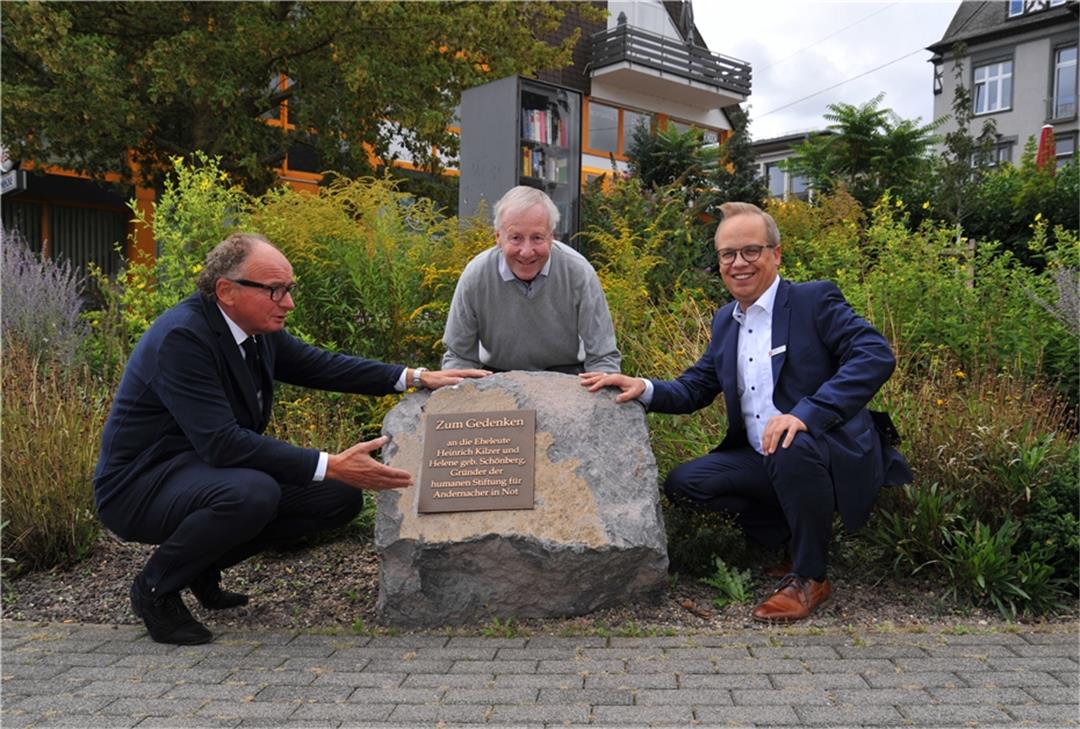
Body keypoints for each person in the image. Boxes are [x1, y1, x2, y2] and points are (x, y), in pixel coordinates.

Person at [94, 233, 488, 645]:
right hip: (141, 486)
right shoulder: (183, 338)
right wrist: (331, 463)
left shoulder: (255, 330)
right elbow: (222, 443)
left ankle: (197, 565)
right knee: (253, 493)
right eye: (275, 291)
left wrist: (416, 378)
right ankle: (155, 589)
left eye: (289, 289)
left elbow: (324, 366)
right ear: (226, 290)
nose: (288, 303)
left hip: (203, 474)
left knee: (337, 498)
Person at [580, 202, 911, 622]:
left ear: (776, 253)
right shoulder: (726, 321)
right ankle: (792, 539)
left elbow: (874, 354)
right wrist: (641, 387)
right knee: (687, 483)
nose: (738, 263)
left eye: (751, 251)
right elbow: (696, 386)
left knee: (791, 442)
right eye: (727, 254)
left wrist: (807, 413)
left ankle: (811, 576)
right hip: (764, 457)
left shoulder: (813, 301)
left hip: (824, 451)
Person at [441, 186, 620, 374]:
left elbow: (603, 358)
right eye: (516, 238)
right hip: (496, 376)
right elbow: (458, 358)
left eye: (537, 238)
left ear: (551, 237)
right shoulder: (476, 276)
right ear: (498, 237)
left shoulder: (578, 272)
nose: (526, 252)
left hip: (567, 377)